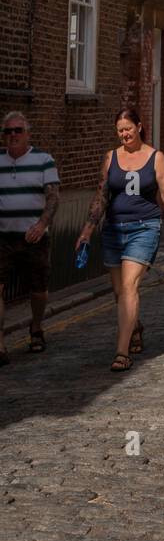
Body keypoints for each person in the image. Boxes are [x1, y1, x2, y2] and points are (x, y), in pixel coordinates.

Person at [76, 108, 164, 373]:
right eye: (120, 130)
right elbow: (101, 197)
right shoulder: (110, 158)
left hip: (144, 228)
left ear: (139, 127)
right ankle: (135, 327)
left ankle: (121, 352)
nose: (124, 134)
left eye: (128, 128)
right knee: (119, 293)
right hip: (113, 230)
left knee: (129, 287)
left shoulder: (155, 158)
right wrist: (87, 230)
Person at [0, 112, 60, 365]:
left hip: (34, 237)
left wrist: (42, 224)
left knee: (38, 290)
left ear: (27, 134)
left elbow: (53, 197)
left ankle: (36, 328)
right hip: (2, 237)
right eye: (8, 131)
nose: (12, 135)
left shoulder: (43, 160)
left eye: (18, 131)